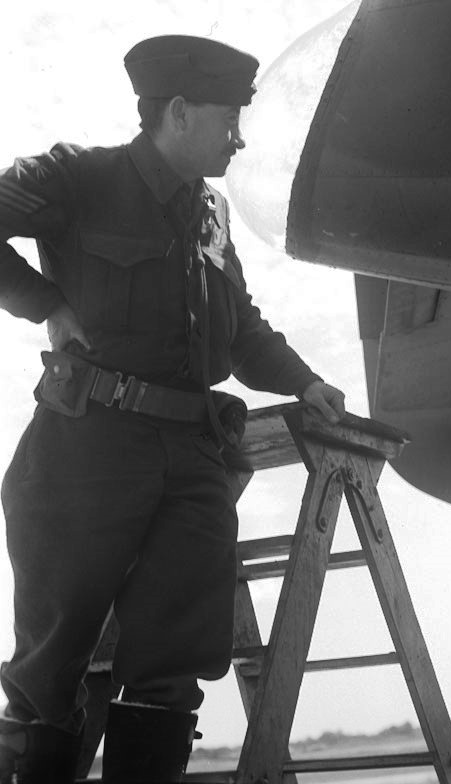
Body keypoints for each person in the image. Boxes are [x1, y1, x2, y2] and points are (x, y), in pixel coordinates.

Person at [0, 35, 346, 782]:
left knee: (171, 671)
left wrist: (304, 381)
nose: (240, 136)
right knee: (50, 672)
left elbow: (242, 327)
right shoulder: (77, 178)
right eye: (229, 119)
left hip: (191, 461)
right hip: (85, 451)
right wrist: (45, 302)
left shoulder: (212, 213)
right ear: (180, 113)